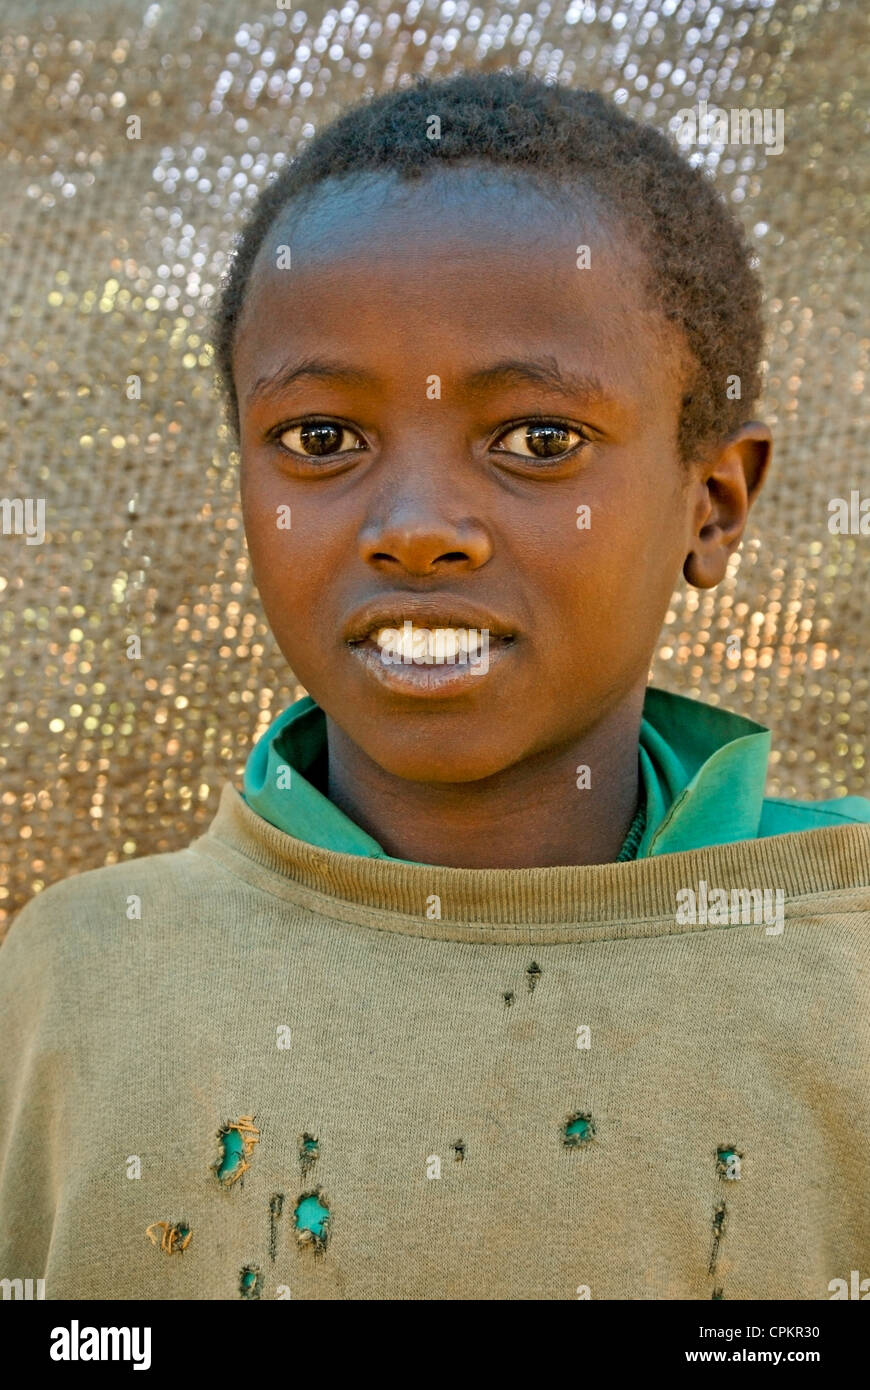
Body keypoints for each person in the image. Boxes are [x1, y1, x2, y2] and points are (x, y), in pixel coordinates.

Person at [1, 70, 867, 1301]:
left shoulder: (842, 965)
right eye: (320, 439)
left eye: (539, 440)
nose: (416, 529)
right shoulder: (70, 985)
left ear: (714, 503)